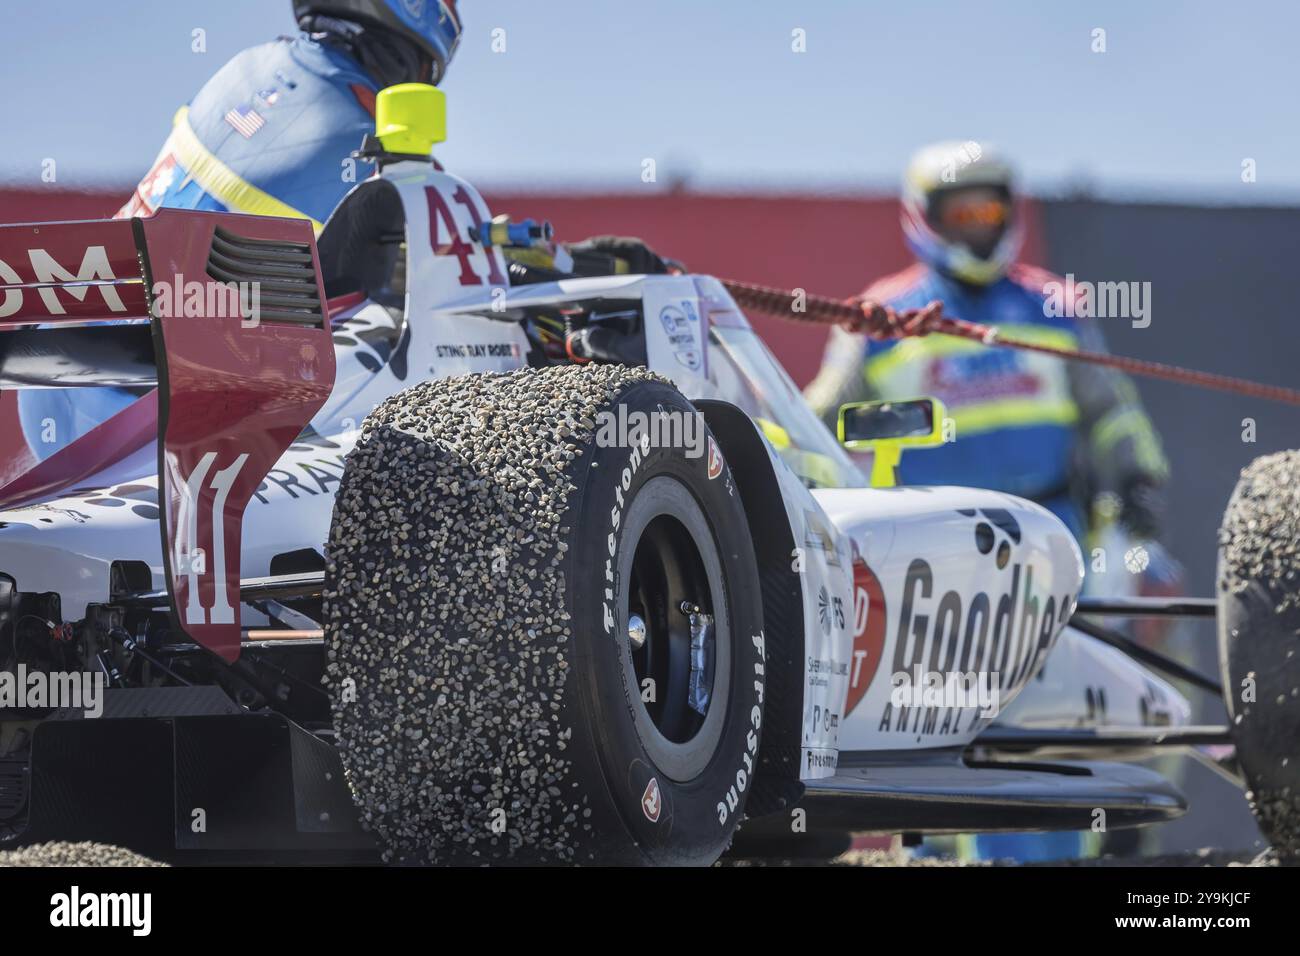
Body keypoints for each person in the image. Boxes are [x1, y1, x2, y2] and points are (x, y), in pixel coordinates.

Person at [19, 1, 463, 460]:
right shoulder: (372, 142)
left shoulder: (247, 67)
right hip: (161, 417)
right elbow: (449, 276)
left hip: (56, 370)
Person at [805, 141, 1169, 547]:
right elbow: (817, 425)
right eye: (962, 214)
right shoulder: (877, 316)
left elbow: (1110, 411)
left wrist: (1137, 480)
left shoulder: (1056, 304)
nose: (978, 226)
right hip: (928, 545)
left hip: (1052, 534)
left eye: (989, 211)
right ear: (925, 216)